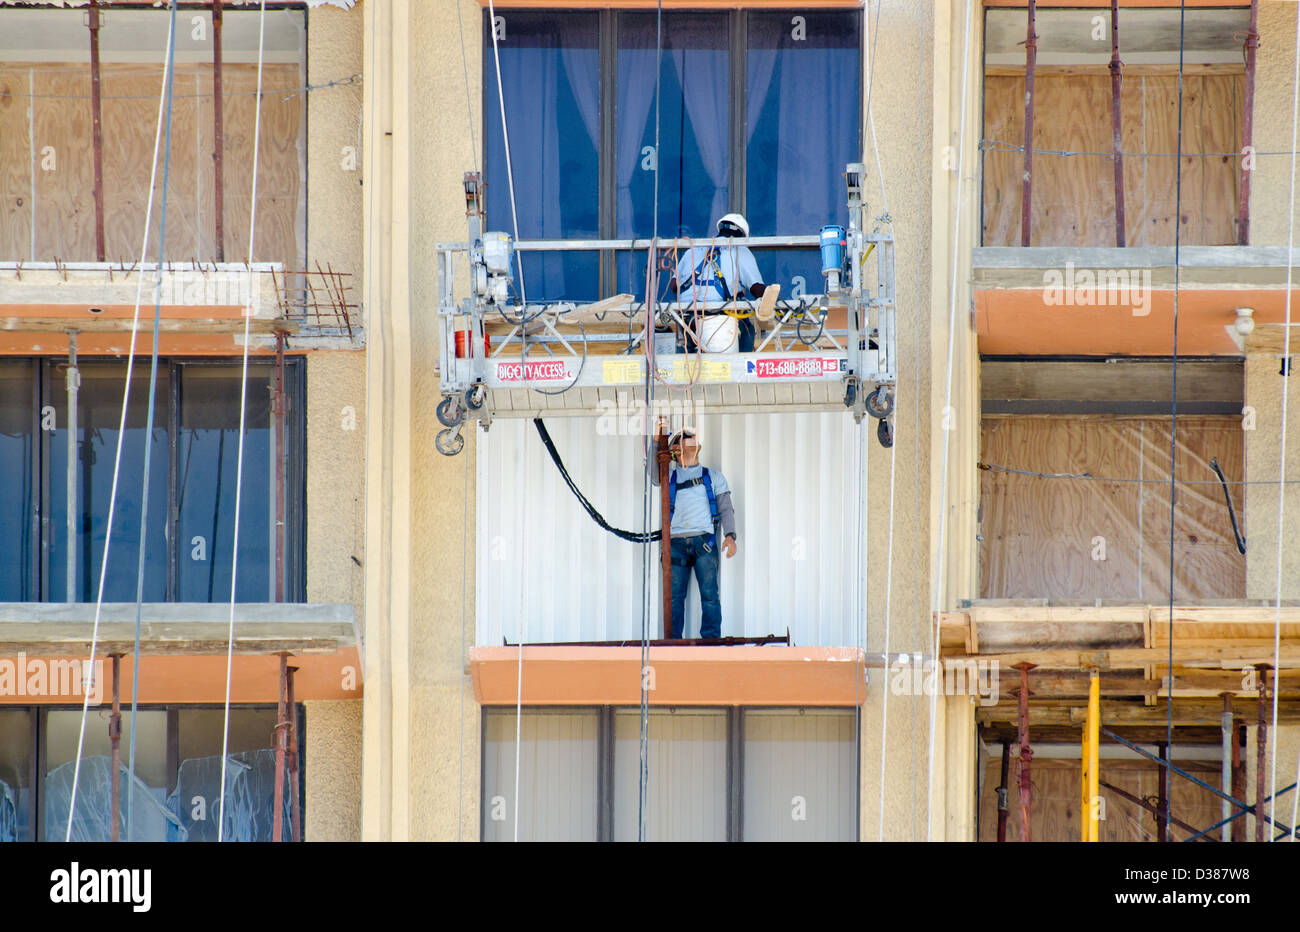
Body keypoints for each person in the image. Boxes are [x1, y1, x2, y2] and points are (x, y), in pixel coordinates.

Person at [650, 421, 738, 639]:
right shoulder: (668, 475)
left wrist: (730, 535)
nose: (682, 448)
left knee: (710, 596)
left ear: (697, 447)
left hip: (704, 543)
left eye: (687, 442)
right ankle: (673, 644)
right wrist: (655, 443)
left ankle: (710, 641)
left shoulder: (713, 477)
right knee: (674, 598)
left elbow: (726, 508)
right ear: (673, 453)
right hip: (675, 544)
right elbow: (653, 476)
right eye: (677, 446)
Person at [672, 213, 768, 352]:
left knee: (694, 357)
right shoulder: (739, 249)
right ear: (741, 236)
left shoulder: (693, 249)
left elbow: (674, 286)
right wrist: (779, 304)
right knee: (747, 329)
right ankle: (740, 370)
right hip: (719, 318)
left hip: (687, 317)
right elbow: (756, 289)